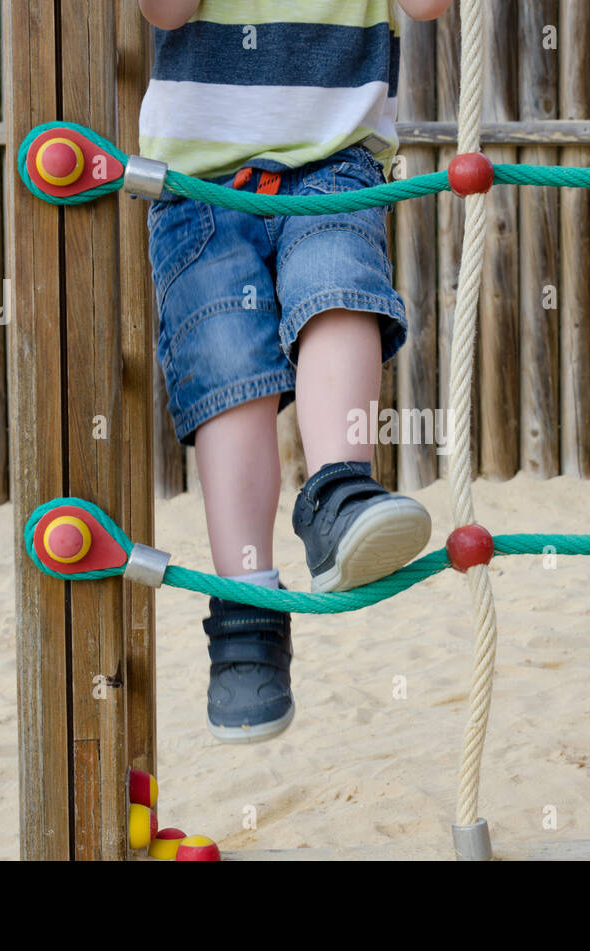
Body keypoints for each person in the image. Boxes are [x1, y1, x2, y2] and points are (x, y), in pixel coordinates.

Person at [138, 0, 452, 743]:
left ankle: (339, 496)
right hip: (198, 178)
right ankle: (246, 606)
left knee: (338, 286)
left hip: (335, 160)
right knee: (225, 365)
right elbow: (166, 11)